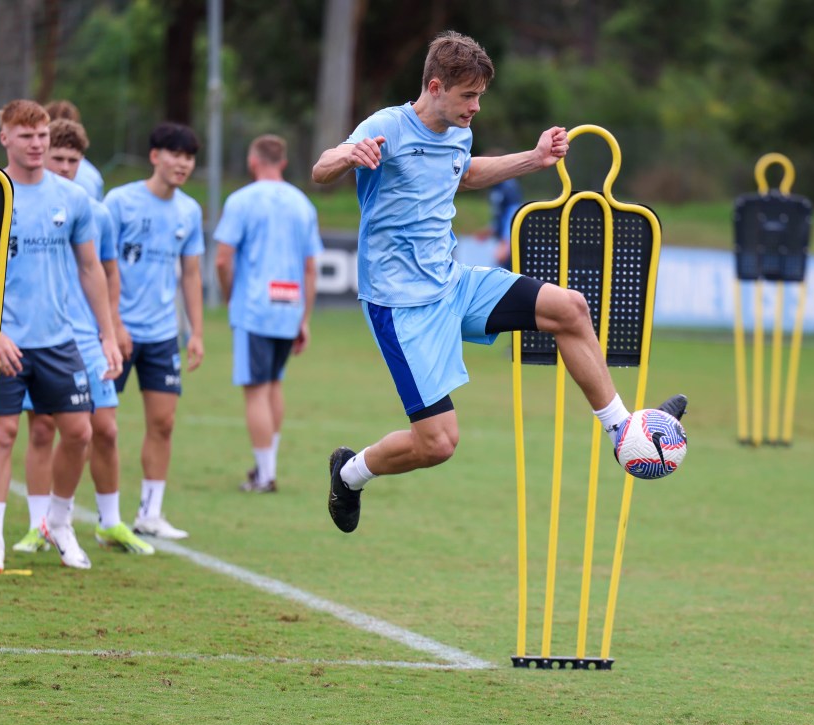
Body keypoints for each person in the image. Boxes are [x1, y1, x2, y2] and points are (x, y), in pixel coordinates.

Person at [311, 30, 687, 533]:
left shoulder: (458, 132)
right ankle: (350, 473)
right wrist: (348, 157)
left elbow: (463, 173)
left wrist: (534, 160)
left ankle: (622, 431)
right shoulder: (387, 127)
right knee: (438, 444)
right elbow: (320, 168)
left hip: (454, 283)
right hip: (401, 306)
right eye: (469, 96)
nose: (476, 108)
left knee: (570, 308)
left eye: (480, 97)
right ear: (437, 86)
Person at [0, 99, 123, 573]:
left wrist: (107, 334)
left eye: (41, 135)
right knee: (2, 435)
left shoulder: (73, 198)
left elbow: (90, 268)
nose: (36, 144)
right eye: (26, 136)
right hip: (7, 338)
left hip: (61, 341)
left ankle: (58, 523)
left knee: (80, 433)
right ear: (6, 139)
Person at [11, 118, 152, 556]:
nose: (67, 168)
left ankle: (109, 523)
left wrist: (114, 329)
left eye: (74, 161)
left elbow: (106, 271)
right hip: (42, 335)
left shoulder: (94, 211)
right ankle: (42, 525)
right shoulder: (18, 203)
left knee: (103, 429)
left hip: (88, 338)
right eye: (59, 159)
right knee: (42, 431)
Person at [104, 122, 205, 540]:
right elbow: (99, 267)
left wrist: (195, 332)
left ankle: (150, 513)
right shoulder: (120, 202)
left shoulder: (189, 211)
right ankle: (101, 514)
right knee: (99, 427)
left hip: (163, 334)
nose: (182, 163)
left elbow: (192, 273)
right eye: (174, 154)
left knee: (163, 423)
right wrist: (113, 325)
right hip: (115, 332)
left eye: (189, 157)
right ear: (154, 156)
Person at [214, 134, 323, 493]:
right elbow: (311, 267)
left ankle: (265, 474)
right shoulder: (302, 203)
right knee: (274, 384)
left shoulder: (242, 201)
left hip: (255, 307)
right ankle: (267, 467)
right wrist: (304, 317)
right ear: (284, 162)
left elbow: (222, 258)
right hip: (289, 306)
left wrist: (232, 297)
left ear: (252, 161)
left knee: (256, 391)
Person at [44, 100, 104, 201]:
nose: (65, 168)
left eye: (72, 160)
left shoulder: (88, 179)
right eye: (58, 159)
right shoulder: (92, 175)